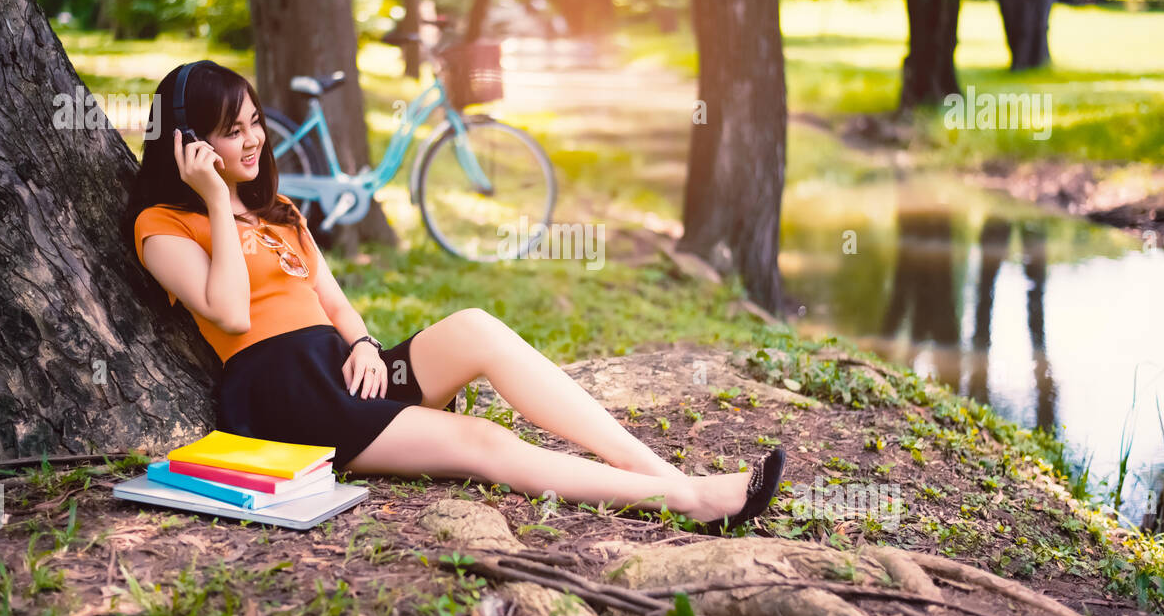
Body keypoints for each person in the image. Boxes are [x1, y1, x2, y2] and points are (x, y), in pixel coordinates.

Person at [124, 61, 785, 529]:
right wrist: (214, 199)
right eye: (230, 131)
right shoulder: (162, 226)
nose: (252, 140)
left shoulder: (281, 210)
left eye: (253, 123)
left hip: (341, 369)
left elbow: (332, 298)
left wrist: (361, 343)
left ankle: (657, 470)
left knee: (476, 327)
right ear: (188, 144)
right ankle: (689, 501)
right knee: (482, 442)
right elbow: (231, 312)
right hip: (289, 399)